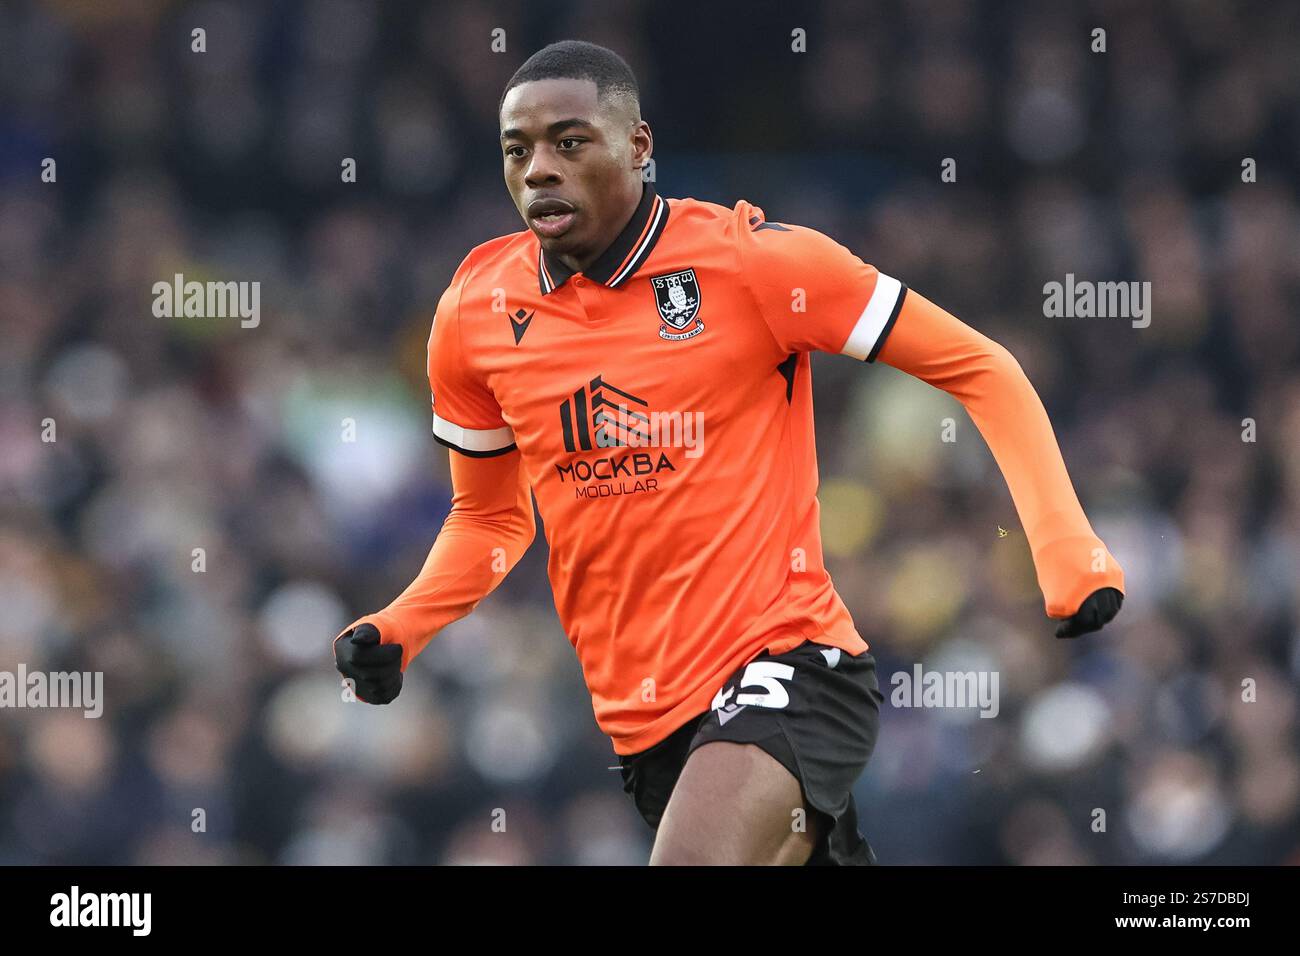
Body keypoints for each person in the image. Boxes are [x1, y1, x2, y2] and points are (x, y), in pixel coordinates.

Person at [332, 39, 1125, 866]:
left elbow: (981, 368)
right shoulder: (475, 312)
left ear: (637, 146)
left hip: (791, 667)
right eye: (517, 150)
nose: (539, 170)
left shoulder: (755, 264)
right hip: (646, 729)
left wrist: (1065, 547)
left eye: (569, 142)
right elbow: (490, 519)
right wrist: (403, 625)